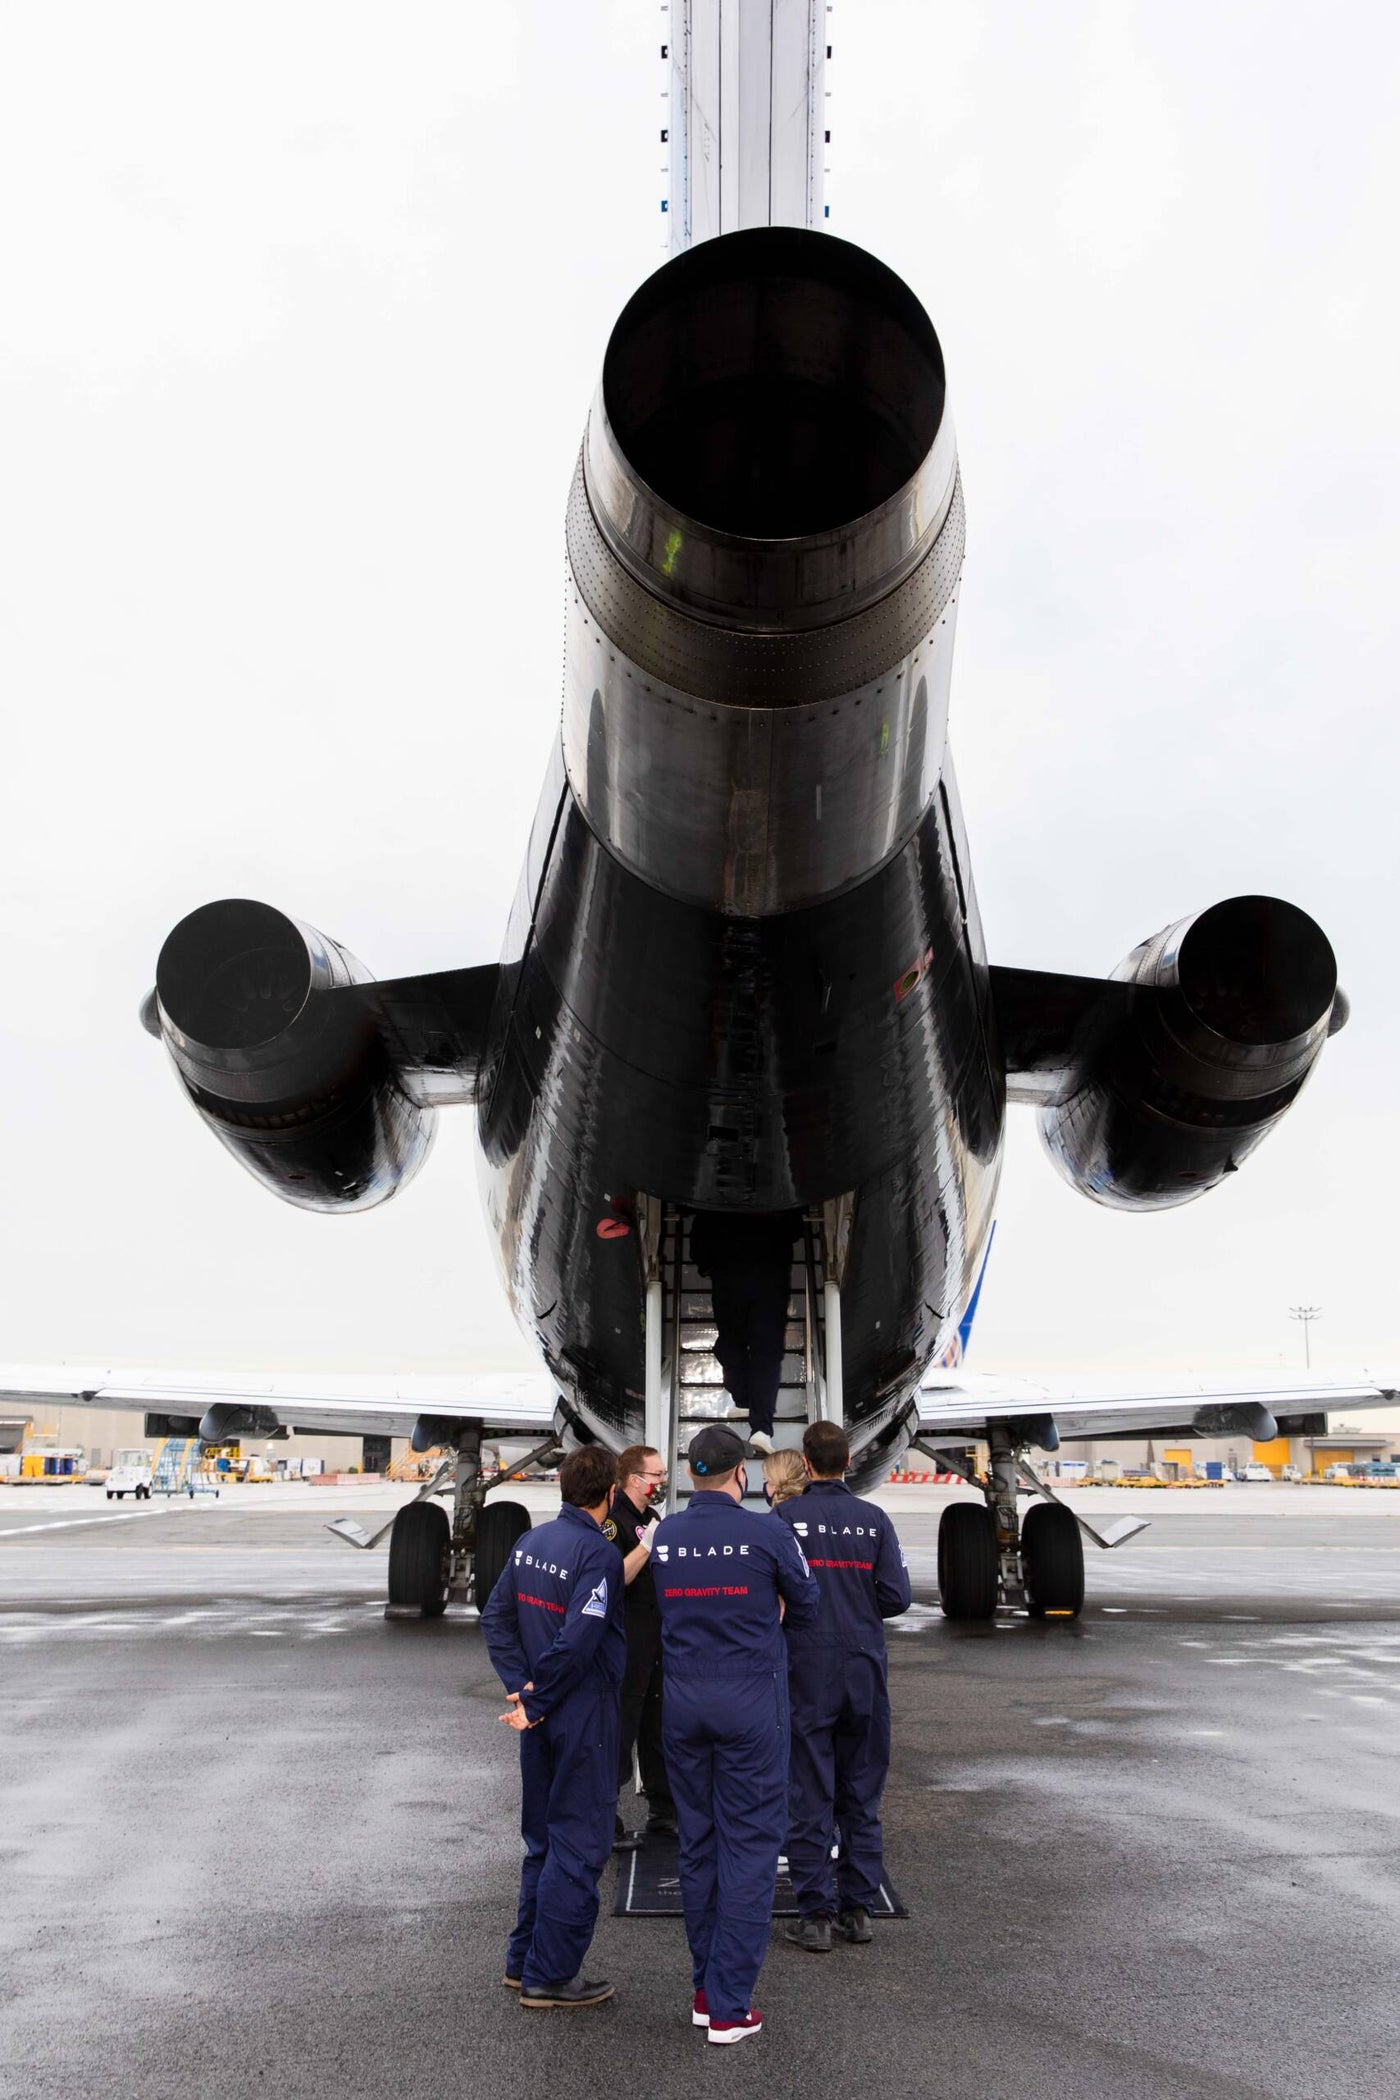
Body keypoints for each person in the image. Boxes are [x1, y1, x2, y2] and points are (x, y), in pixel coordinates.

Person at [652, 1423, 819, 2045]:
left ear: (693, 1475)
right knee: (749, 1848)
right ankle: (728, 2005)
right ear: (739, 1476)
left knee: (698, 1844)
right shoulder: (767, 1530)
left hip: (685, 1704)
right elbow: (806, 1604)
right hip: (749, 1703)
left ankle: (705, 1988)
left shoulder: (666, 1534)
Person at [480, 1444, 626, 2010]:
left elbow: (496, 1617)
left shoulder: (530, 1543)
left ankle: (523, 1963)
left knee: (541, 1838)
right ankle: (551, 1975)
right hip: (578, 1710)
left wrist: (519, 1686)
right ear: (609, 1494)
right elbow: (578, 1644)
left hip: (538, 1711)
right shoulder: (599, 1555)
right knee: (580, 1843)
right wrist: (538, 1698)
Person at [773, 1420, 911, 1952]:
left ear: (806, 1464)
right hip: (862, 1667)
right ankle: (858, 1908)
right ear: (848, 1460)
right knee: (861, 1790)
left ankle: (815, 1915)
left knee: (809, 1788)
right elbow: (896, 1597)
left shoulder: (785, 1516)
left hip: (806, 1668)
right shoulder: (873, 1519)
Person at [603, 1443, 677, 1850]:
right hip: (628, 1645)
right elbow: (616, 1577)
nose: (663, 1482)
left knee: (658, 1730)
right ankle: (605, 1816)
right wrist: (647, 1545)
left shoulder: (651, 1518)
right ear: (635, 1479)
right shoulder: (614, 1523)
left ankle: (664, 1813)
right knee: (621, 1731)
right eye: (657, 1476)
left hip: (656, 1644)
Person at [689, 1210, 804, 1455]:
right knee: (767, 1353)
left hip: (729, 1272)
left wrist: (706, 1264)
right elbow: (794, 1227)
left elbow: (701, 1219)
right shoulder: (776, 1194)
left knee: (732, 1343)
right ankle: (761, 1426)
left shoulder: (719, 1194)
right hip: (770, 1274)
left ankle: (744, 1399)